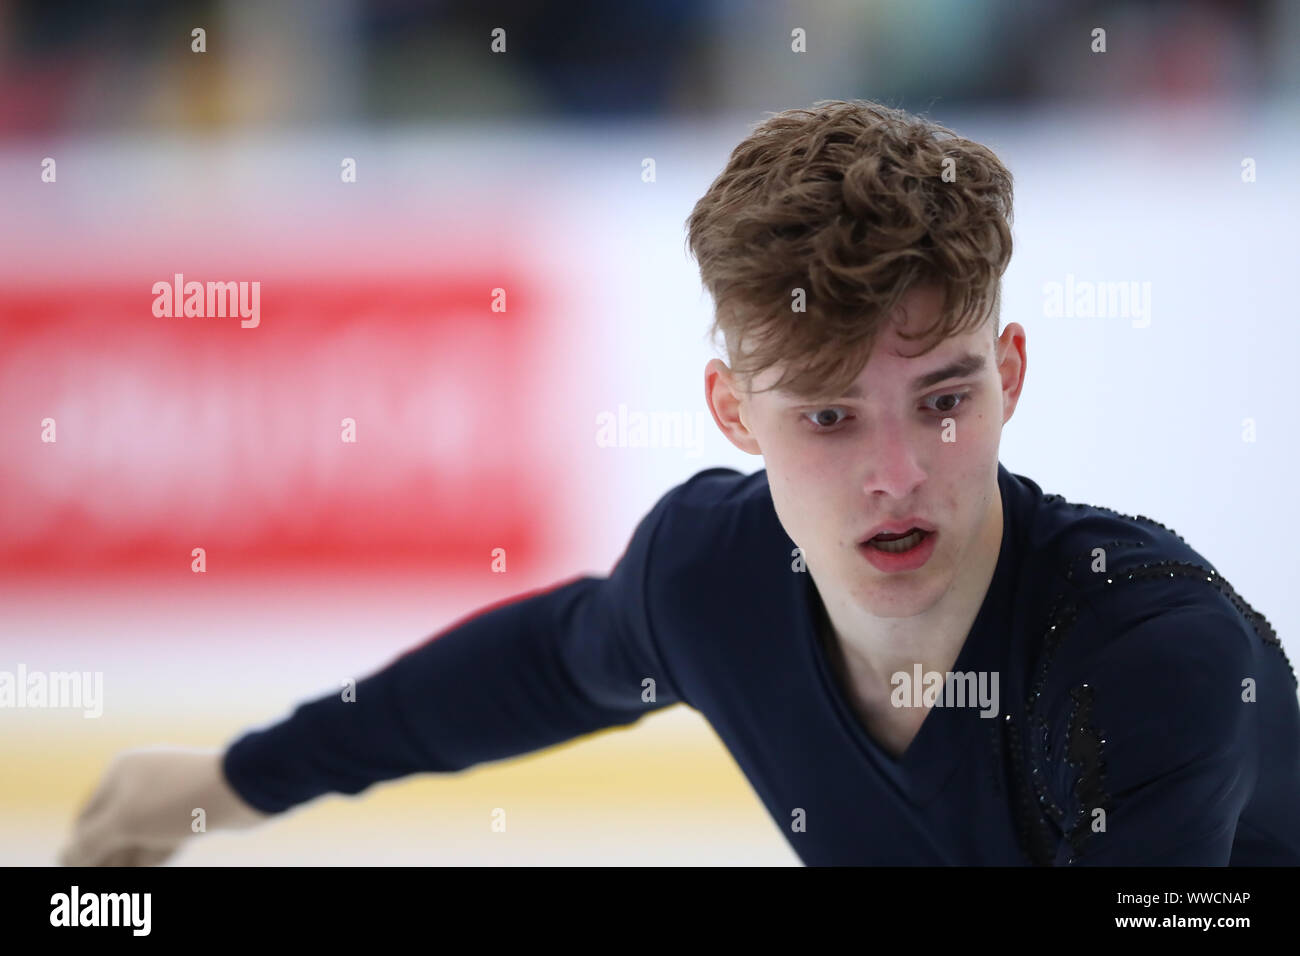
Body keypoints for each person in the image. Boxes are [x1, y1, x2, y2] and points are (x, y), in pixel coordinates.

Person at [60, 99, 1299, 866]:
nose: (897, 474)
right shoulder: (715, 577)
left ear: (1009, 373)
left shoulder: (1143, 658)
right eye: (827, 415)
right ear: (732, 413)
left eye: (942, 399)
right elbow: (544, 662)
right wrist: (230, 779)